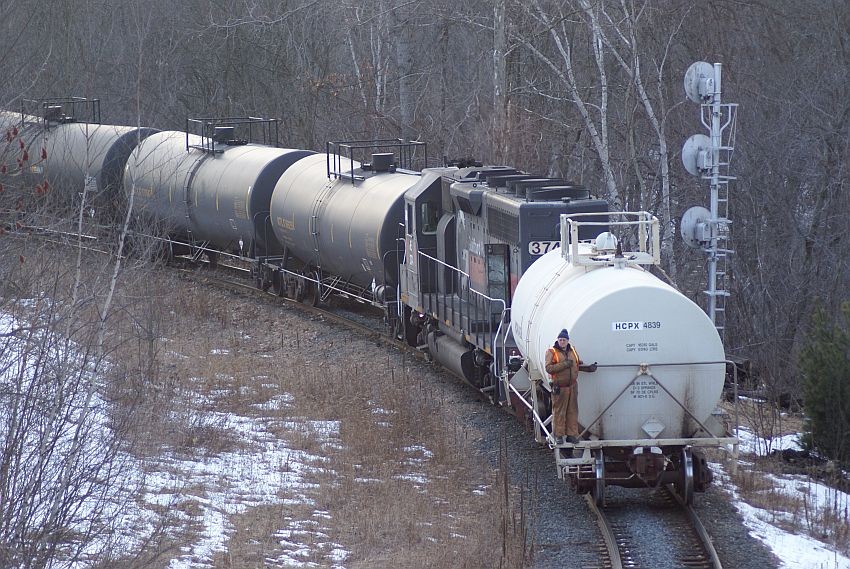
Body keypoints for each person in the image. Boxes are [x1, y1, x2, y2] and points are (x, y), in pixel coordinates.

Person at [544, 328, 597, 445]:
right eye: (560, 340)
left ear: (568, 341)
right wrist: (564, 364)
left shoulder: (572, 351)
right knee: (559, 412)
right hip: (559, 387)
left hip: (572, 386)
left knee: (572, 411)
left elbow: (576, 365)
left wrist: (589, 369)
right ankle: (558, 435)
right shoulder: (552, 352)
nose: (562, 341)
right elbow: (549, 368)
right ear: (557, 340)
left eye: (564, 340)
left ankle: (571, 435)